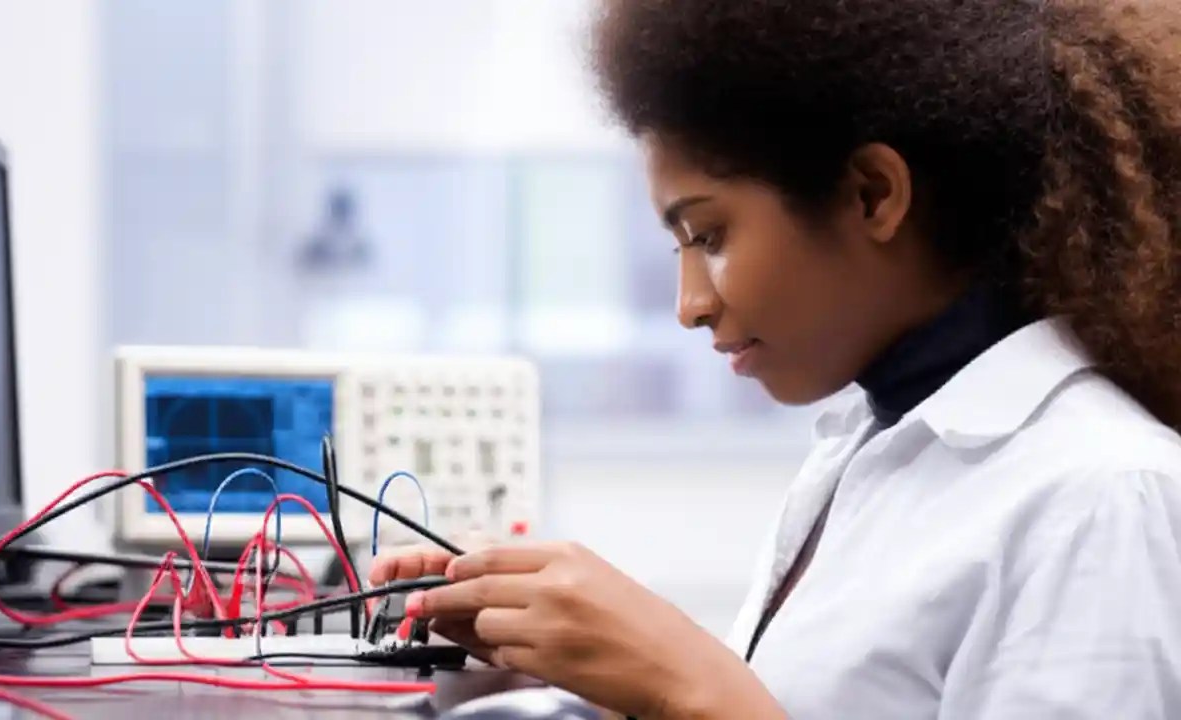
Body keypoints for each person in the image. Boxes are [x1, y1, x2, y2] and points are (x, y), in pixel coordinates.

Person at [371, 1, 1181, 717]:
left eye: (710, 237)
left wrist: (679, 682)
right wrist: (580, 666)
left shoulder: (1105, 499)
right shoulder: (864, 452)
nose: (690, 304)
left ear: (872, 194)